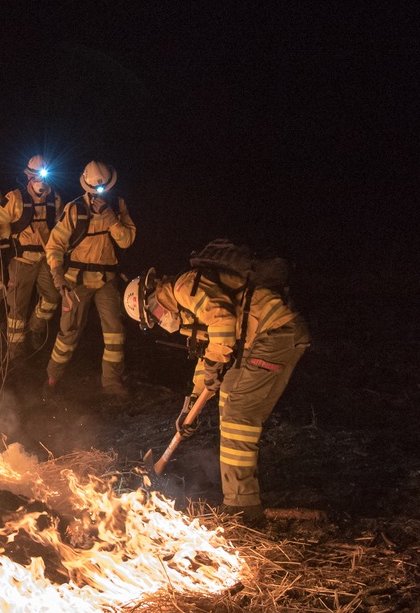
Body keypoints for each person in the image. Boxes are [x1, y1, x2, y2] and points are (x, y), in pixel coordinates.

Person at [123, 244, 308, 524]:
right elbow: (208, 349)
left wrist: (212, 367)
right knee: (227, 401)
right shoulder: (185, 310)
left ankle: (243, 509)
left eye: (156, 316)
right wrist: (191, 403)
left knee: (238, 414)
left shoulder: (184, 288)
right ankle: (236, 489)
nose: (162, 323)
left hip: (276, 333)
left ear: (154, 297)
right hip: (253, 340)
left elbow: (222, 320)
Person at [43, 160, 135, 396]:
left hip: (106, 280)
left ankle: (112, 384)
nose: (98, 195)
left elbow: (126, 240)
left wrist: (111, 217)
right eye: (94, 191)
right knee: (68, 333)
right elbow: (54, 245)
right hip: (77, 281)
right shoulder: (74, 210)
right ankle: (52, 379)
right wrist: (57, 274)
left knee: (115, 332)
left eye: (102, 190)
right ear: (86, 187)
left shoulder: (118, 206)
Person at [0, 153, 61, 359]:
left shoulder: (55, 199)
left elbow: (62, 230)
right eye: (37, 177)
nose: (41, 182)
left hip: (45, 260)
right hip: (21, 261)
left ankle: (36, 327)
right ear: (29, 177)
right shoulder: (15, 199)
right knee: (17, 309)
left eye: (45, 177)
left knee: (53, 297)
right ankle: (15, 351)